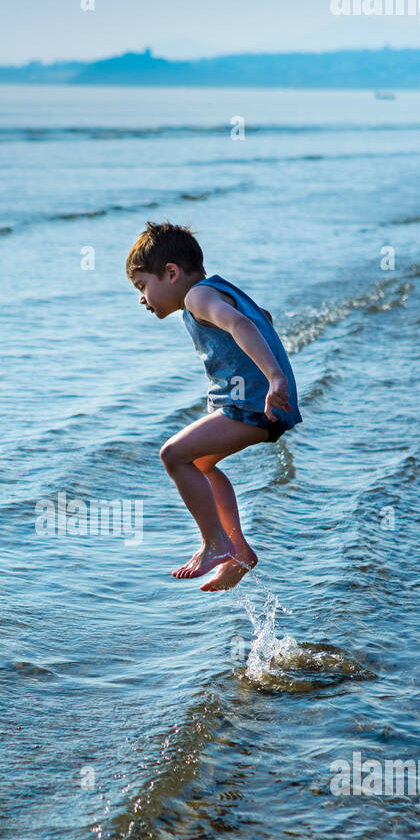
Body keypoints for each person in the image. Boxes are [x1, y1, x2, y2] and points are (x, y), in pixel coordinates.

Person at [126, 220, 302, 592]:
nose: (142, 298)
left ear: (171, 273)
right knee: (202, 464)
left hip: (254, 406)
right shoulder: (219, 290)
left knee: (173, 455)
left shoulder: (197, 297)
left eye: (143, 286)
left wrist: (274, 378)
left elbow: (240, 324)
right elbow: (261, 318)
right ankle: (239, 552)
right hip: (262, 406)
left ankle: (216, 544)